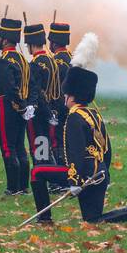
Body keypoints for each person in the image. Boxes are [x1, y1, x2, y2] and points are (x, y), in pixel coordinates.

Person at [28, 51, 127, 225]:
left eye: (66, 94)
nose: (64, 97)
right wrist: (106, 174)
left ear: (72, 96)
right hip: (99, 175)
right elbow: (106, 148)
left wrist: (74, 181)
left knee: (37, 172)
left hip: (83, 174)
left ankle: (44, 219)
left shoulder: (74, 117)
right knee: (92, 220)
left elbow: (76, 152)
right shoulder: (94, 114)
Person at [0, 16, 31, 196]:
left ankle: (13, 188)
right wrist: (25, 107)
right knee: (20, 147)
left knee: (8, 147)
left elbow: (9, 88)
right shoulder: (22, 59)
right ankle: (23, 186)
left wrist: (19, 105)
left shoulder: (3, 61)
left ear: (5, 40)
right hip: (21, 110)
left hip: (7, 108)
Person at [23, 21, 62, 166]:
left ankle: (42, 179)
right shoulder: (52, 61)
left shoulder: (34, 65)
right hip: (52, 111)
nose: (27, 47)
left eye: (27, 45)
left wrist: (34, 108)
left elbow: (37, 93)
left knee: (38, 148)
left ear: (31, 44)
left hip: (39, 113)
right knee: (46, 145)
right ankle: (52, 180)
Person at [48, 19, 73, 163]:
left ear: (54, 43)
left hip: (57, 110)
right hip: (71, 108)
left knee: (56, 144)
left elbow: (51, 89)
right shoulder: (73, 59)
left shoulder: (54, 62)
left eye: (50, 41)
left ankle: (59, 176)